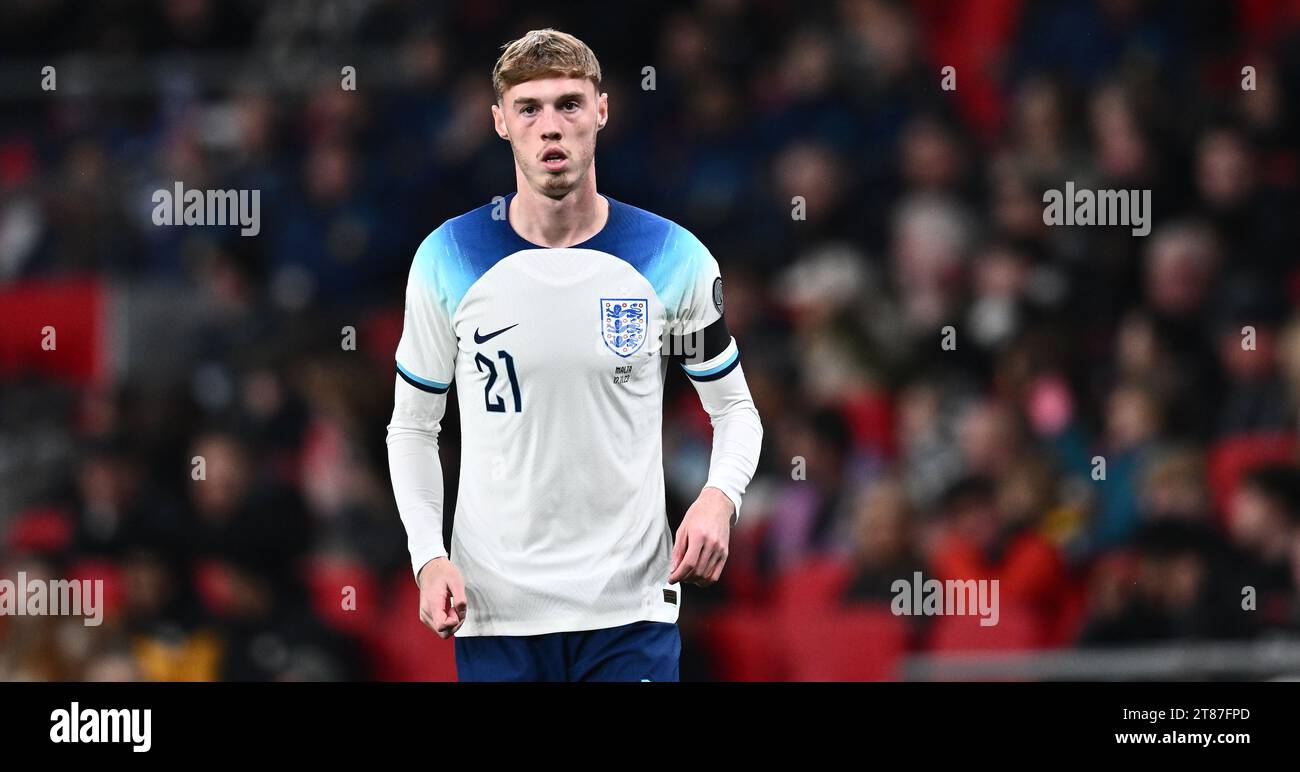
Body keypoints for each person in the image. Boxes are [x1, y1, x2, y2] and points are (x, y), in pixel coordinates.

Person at [385, 29, 763, 681]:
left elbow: (736, 411)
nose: (550, 127)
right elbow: (413, 426)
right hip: (497, 614)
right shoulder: (446, 259)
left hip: (629, 613)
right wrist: (428, 555)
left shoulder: (673, 260)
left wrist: (717, 499)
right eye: (529, 108)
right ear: (499, 121)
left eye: (569, 104)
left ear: (602, 111)